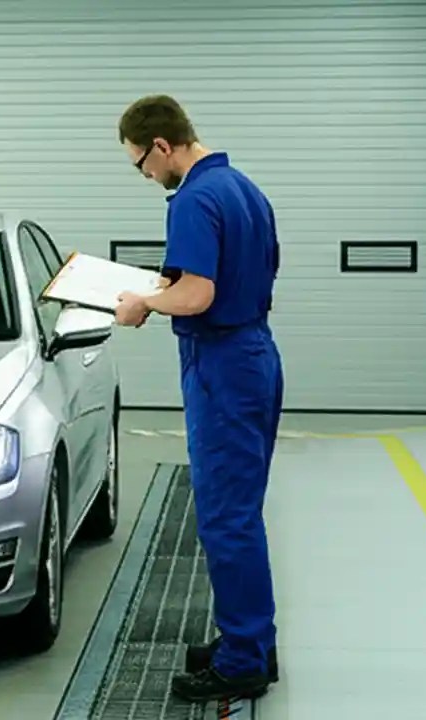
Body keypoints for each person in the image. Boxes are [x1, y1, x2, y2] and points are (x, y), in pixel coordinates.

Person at [111, 95, 284, 703]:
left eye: (141, 165)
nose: (146, 176)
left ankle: (242, 661)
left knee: (224, 518)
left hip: (222, 364)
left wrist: (142, 304)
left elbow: (198, 295)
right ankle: (252, 639)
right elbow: (226, 273)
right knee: (241, 509)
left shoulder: (191, 199)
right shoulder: (242, 189)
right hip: (254, 354)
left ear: (162, 146)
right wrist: (167, 284)